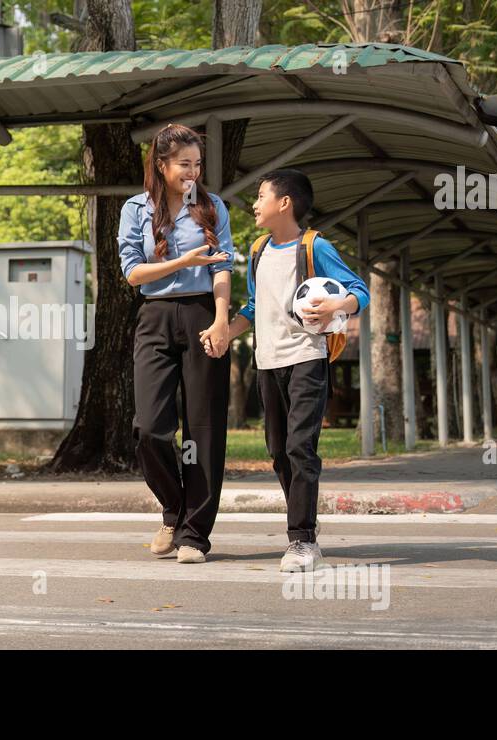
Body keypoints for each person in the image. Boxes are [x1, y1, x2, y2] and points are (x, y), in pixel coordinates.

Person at [216, 168, 369, 572]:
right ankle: (304, 525)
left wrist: (338, 306)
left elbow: (359, 291)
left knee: (301, 448)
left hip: (306, 359)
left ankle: (302, 540)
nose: (254, 204)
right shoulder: (258, 250)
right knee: (279, 453)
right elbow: (252, 306)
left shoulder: (315, 246)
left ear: (284, 203)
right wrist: (226, 332)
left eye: (261, 195)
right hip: (267, 363)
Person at [118, 123, 235, 565]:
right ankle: (174, 509)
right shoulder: (135, 208)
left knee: (204, 427)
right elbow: (132, 273)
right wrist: (183, 261)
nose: (193, 171)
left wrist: (223, 319)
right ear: (161, 165)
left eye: (198, 164)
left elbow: (222, 267)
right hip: (155, 315)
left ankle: (194, 536)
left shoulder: (212, 207)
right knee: (149, 427)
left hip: (205, 312)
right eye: (184, 164)